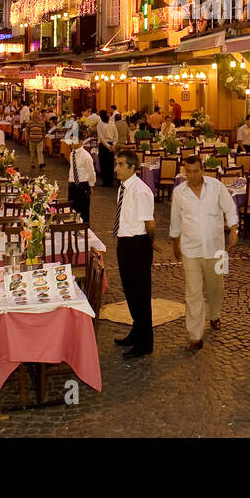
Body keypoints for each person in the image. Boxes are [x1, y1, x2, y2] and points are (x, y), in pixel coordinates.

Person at [170, 155, 239, 350]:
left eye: (196, 171)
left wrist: (234, 229)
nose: (192, 176)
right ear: (185, 172)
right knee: (192, 293)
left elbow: (230, 208)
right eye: (188, 172)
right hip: (190, 250)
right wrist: (175, 243)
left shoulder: (216, 186)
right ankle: (195, 335)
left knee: (217, 287)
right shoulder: (179, 193)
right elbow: (175, 220)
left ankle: (215, 314)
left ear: (203, 170)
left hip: (217, 249)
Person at [113, 150, 157, 358]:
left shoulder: (140, 191)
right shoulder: (123, 188)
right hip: (124, 242)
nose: (116, 168)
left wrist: (149, 244)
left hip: (138, 244)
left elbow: (150, 223)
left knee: (140, 294)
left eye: (121, 164)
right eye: (116, 164)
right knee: (129, 290)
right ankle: (136, 330)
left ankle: (145, 342)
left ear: (132, 168)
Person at [67, 131, 96, 226]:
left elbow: (91, 172)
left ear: (81, 141)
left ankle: (86, 230)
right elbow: (72, 169)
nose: (71, 142)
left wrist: (91, 185)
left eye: (74, 140)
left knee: (83, 210)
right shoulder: (72, 154)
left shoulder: (86, 156)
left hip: (82, 185)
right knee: (72, 209)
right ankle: (73, 229)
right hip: (72, 185)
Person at [94, 109, 117, 186]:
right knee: (110, 164)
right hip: (111, 145)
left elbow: (101, 137)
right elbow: (116, 135)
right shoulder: (112, 123)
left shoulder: (99, 124)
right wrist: (113, 144)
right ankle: (110, 181)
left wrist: (108, 146)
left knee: (104, 164)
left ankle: (105, 181)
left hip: (103, 146)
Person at [26, 107, 47, 172]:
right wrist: (28, 137)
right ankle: (32, 163)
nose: (35, 115)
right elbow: (27, 130)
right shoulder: (30, 122)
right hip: (32, 139)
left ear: (38, 115)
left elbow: (43, 130)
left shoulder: (41, 122)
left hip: (40, 140)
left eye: (36, 114)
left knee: (40, 152)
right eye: (34, 114)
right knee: (32, 152)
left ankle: (41, 165)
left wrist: (43, 138)